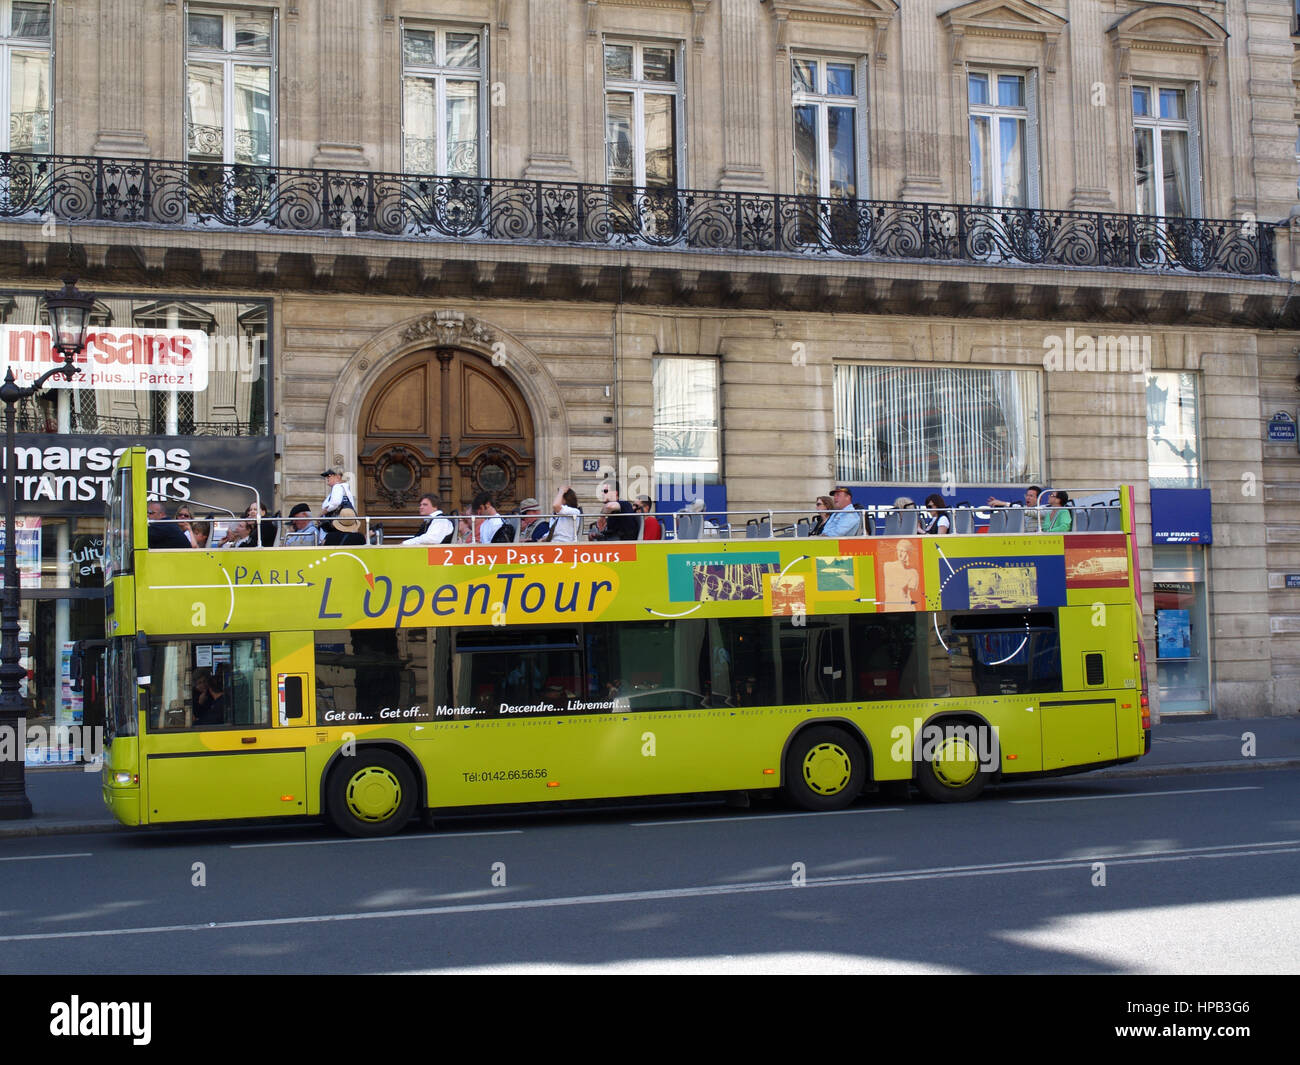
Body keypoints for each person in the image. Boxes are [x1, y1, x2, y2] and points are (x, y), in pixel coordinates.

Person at [882, 537, 922, 608]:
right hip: (890, 606)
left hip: (906, 607)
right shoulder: (887, 566)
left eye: (903, 551)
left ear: (908, 553)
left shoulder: (913, 573)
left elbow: (911, 592)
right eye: (898, 550)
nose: (900, 554)